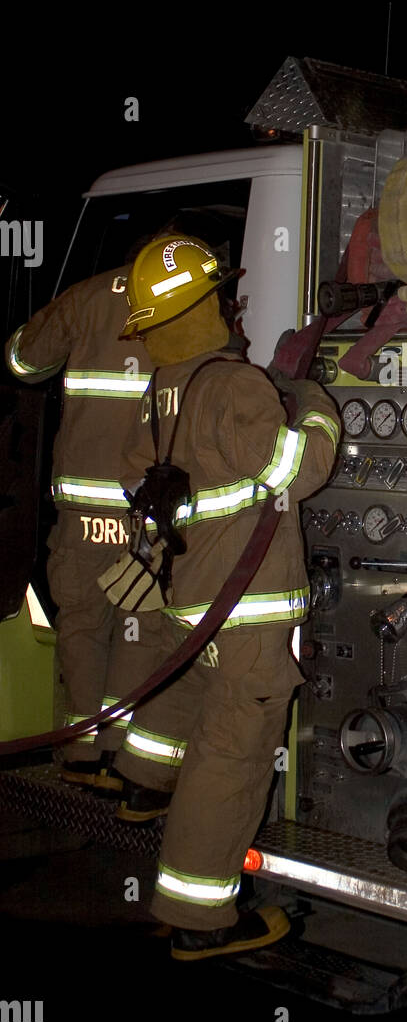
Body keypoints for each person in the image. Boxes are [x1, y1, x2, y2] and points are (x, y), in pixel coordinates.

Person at [113, 235, 339, 960]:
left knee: (188, 703)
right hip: (246, 611)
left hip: (190, 600)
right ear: (206, 305)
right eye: (223, 295)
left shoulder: (165, 386)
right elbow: (297, 470)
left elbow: (140, 483)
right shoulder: (235, 385)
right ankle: (201, 919)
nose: (235, 307)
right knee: (233, 753)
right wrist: (316, 407)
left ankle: (144, 782)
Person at [4, 268, 155, 792]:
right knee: (140, 627)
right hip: (150, 511)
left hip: (85, 512)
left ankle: (84, 753)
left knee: (84, 627)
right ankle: (129, 759)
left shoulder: (89, 295)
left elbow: (22, 362)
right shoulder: (193, 295)